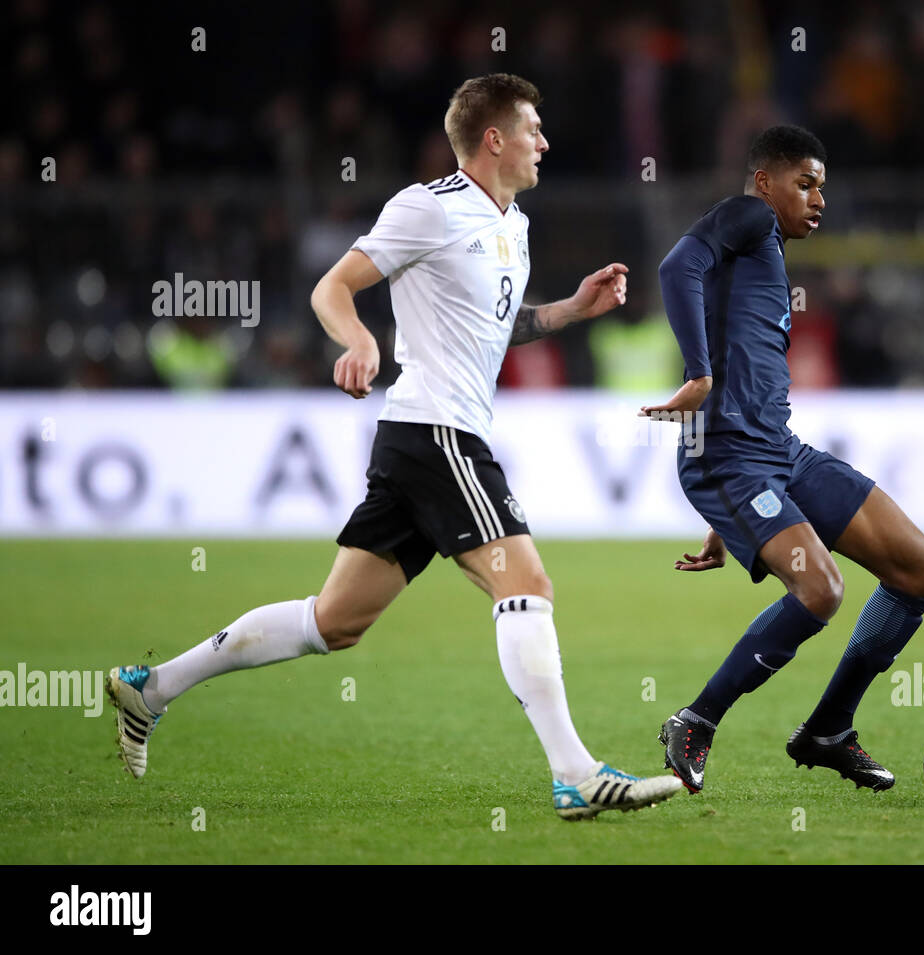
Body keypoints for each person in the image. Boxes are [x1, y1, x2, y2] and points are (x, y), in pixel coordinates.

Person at [107, 73, 682, 820]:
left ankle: (150, 688)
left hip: (425, 439)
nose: (545, 141)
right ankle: (573, 771)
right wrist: (359, 343)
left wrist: (571, 308)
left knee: (333, 621)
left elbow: (495, 325)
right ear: (494, 138)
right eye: (533, 128)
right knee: (527, 583)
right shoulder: (427, 207)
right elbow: (331, 288)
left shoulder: (516, 224)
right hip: (435, 431)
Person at [646, 125, 924, 794]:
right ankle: (696, 719)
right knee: (821, 589)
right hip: (726, 454)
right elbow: (676, 267)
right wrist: (697, 375)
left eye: (823, 187)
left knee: (920, 568)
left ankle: (829, 729)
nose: (818, 198)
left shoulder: (766, 250)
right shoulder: (749, 216)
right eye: (805, 183)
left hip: (775, 453)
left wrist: (733, 521)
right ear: (765, 183)